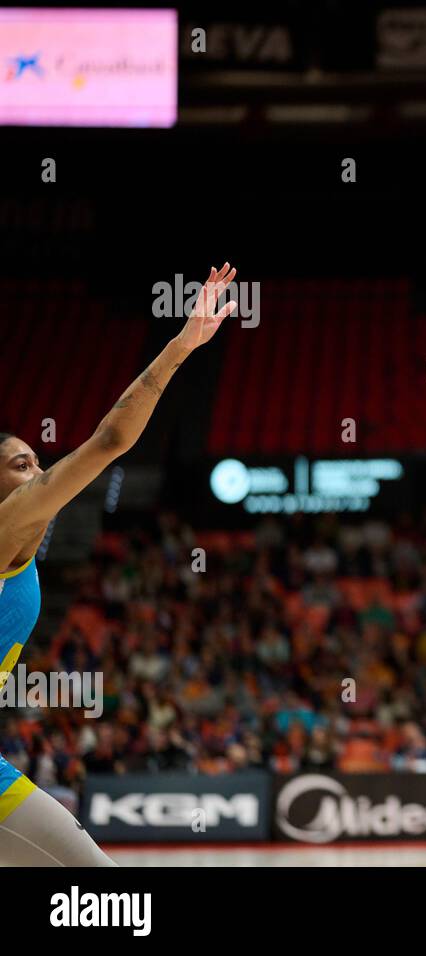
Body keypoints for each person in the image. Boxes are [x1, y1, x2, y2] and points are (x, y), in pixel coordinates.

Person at [0, 263, 237, 865]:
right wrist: (181, 347)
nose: (38, 473)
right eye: (21, 465)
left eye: (36, 461)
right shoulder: (9, 526)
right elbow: (109, 442)